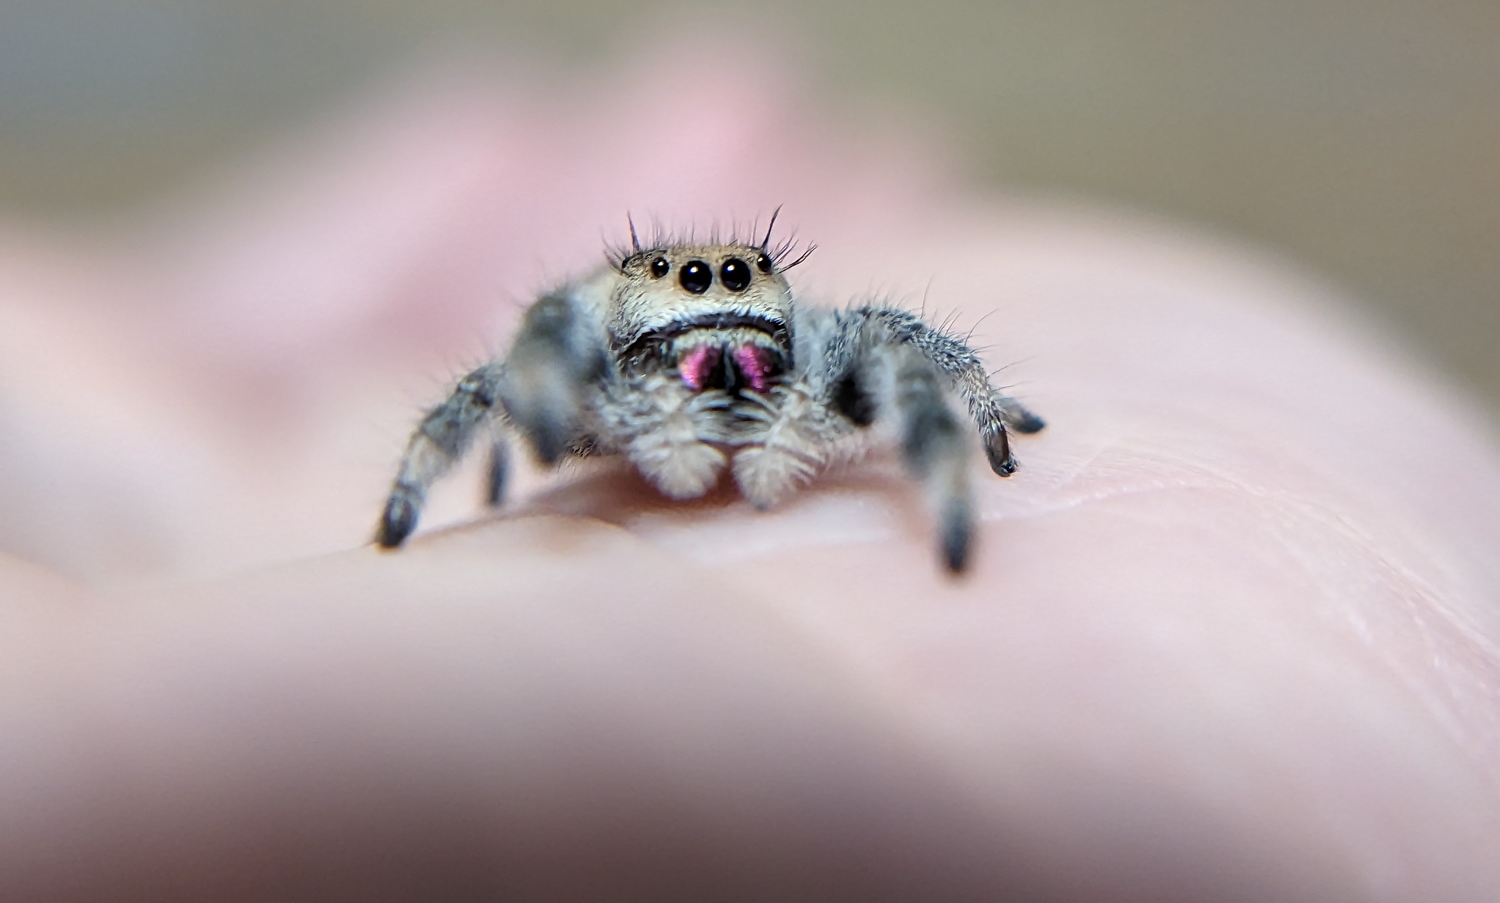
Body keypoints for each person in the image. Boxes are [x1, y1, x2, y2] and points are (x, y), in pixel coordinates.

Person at [1, 45, 1496, 901]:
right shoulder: (586, 356)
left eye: (746, 321)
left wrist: (973, 430)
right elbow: (511, 371)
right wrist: (443, 479)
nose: (723, 372)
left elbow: (903, 337)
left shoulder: (814, 346)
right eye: (692, 326)